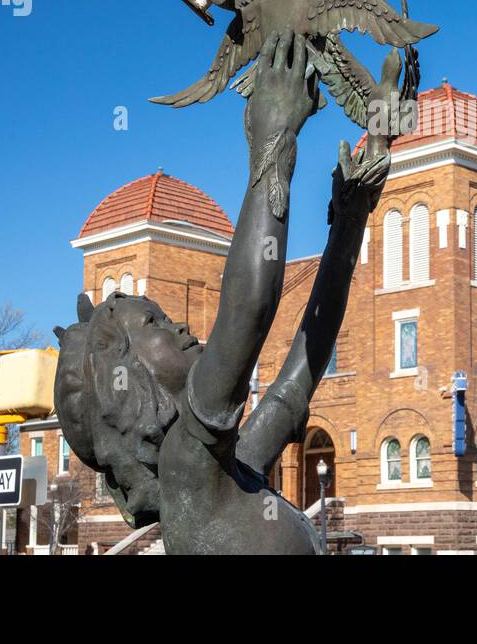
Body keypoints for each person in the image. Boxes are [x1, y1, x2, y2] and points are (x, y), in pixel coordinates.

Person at [54, 28, 390, 553]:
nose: (180, 325)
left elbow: (300, 373)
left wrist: (349, 220)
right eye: (155, 324)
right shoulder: (186, 463)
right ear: (128, 382)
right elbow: (251, 305)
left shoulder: (234, 472)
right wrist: (274, 138)